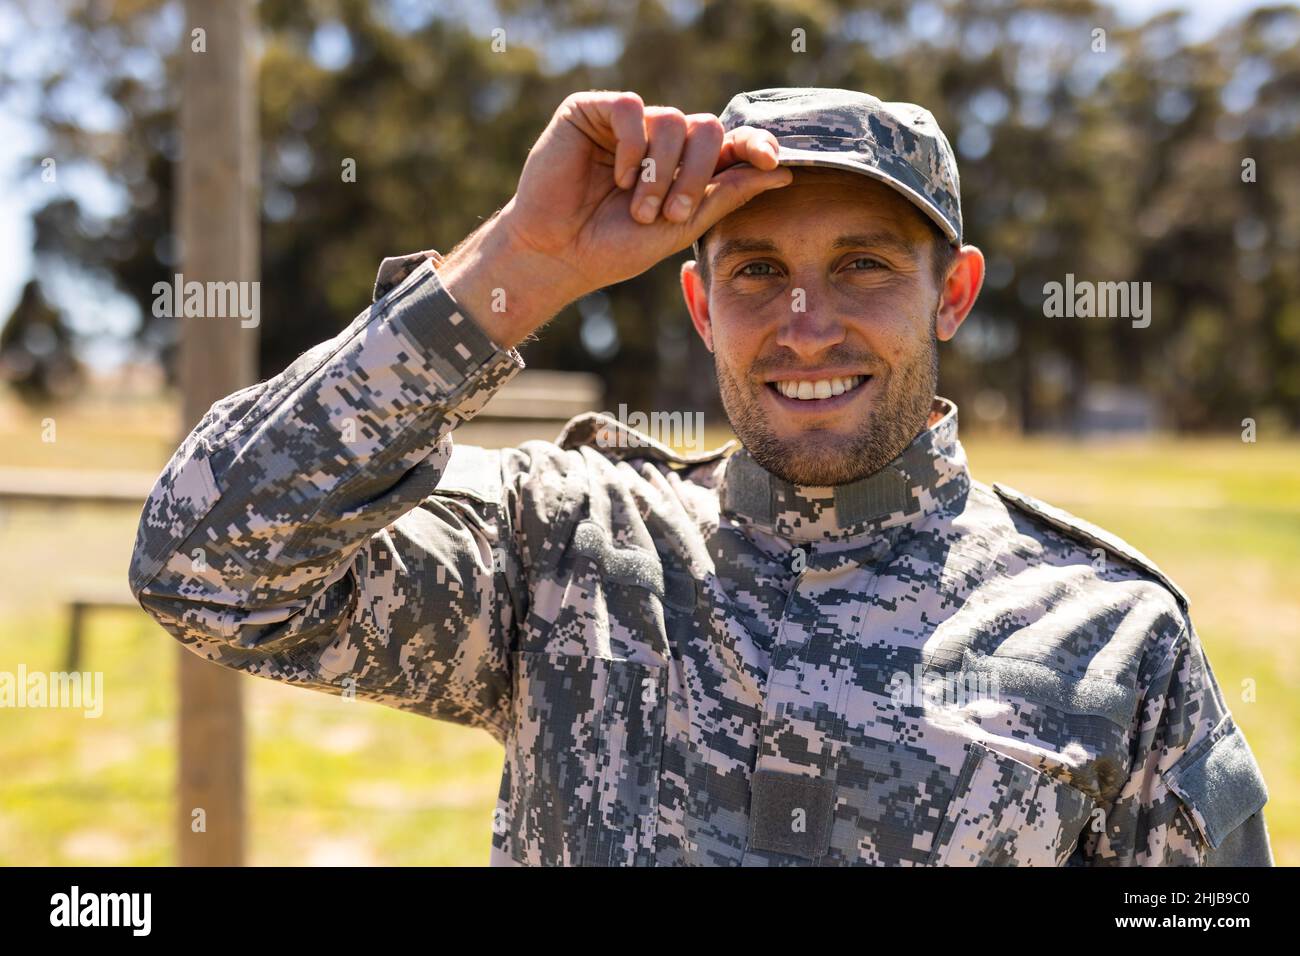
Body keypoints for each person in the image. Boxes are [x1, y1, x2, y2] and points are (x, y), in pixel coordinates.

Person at [130, 87, 1272, 866]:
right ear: (699, 304)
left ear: (953, 295)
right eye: (757, 269)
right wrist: (516, 269)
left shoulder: (1114, 632)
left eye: (863, 267)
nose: (804, 323)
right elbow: (205, 565)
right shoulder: (567, 545)